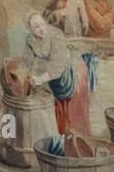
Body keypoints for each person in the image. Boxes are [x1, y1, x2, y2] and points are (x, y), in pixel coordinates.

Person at [22, 10, 92, 138]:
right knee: (56, 110)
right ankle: (61, 139)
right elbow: (27, 60)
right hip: (53, 76)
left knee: (73, 111)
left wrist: (40, 79)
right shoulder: (30, 39)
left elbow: (58, 63)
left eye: (42, 24)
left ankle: (78, 141)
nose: (41, 29)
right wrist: (27, 75)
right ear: (30, 29)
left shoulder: (56, 35)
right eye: (36, 27)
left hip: (71, 72)